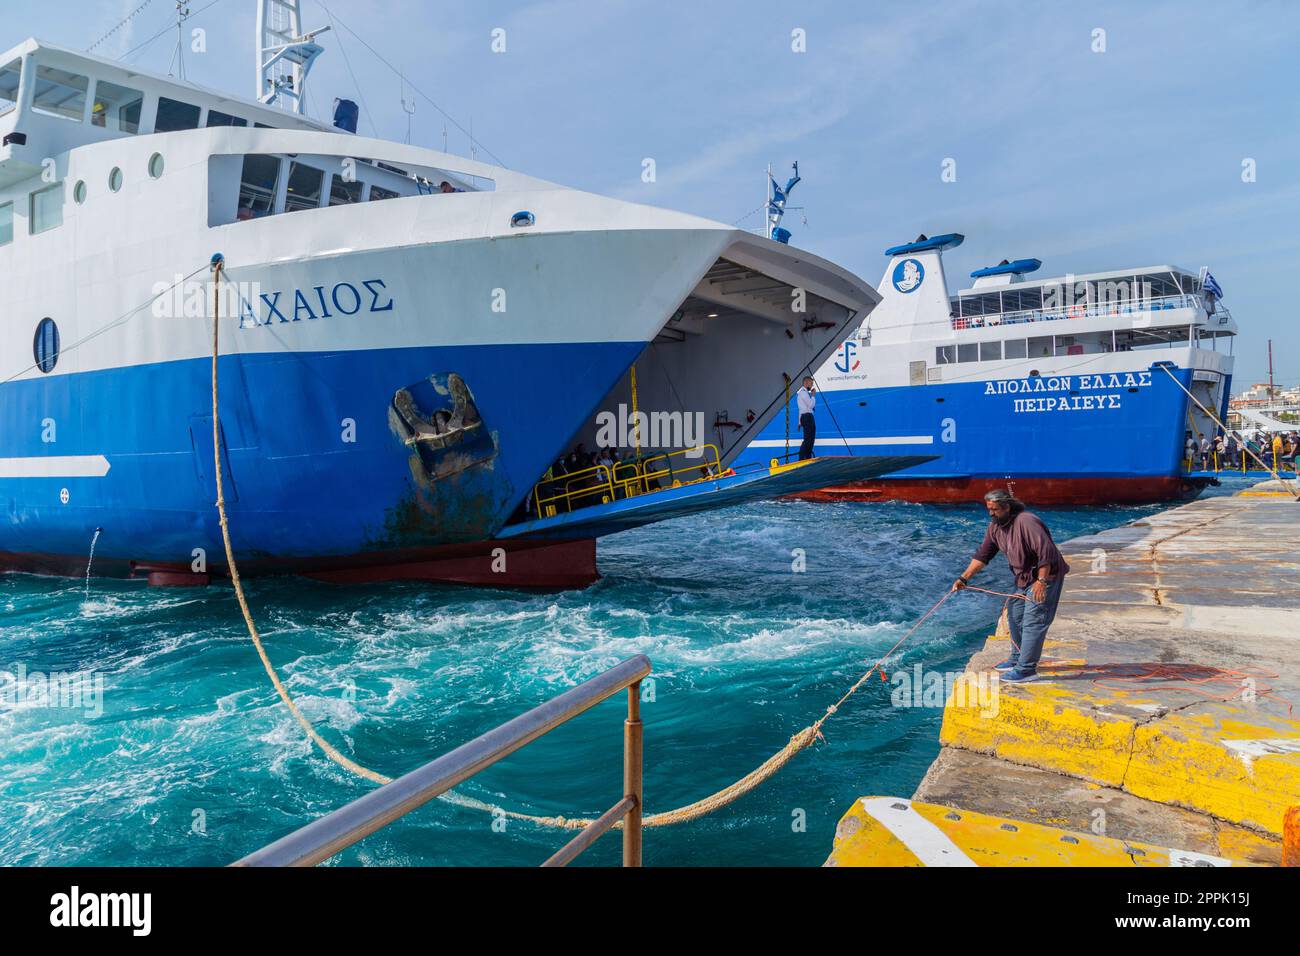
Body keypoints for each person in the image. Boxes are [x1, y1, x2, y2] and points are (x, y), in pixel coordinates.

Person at [952, 489, 1070, 683]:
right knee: (1014, 615)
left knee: (1034, 620)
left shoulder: (1027, 521)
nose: (991, 514)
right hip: (1023, 579)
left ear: (1007, 507)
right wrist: (964, 578)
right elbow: (983, 555)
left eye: (995, 510)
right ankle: (1017, 658)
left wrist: (1042, 582)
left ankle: (1027, 669)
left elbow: (1045, 552)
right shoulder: (995, 527)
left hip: (1045, 576)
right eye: (989, 510)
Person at [796, 376, 817, 461]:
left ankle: (807, 457)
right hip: (807, 417)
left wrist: (799, 422)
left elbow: (801, 410)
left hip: (806, 416)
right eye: (811, 383)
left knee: (810, 438)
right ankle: (803, 457)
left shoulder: (803, 393)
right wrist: (813, 396)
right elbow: (811, 405)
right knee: (808, 438)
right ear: (806, 382)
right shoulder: (803, 393)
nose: (812, 386)